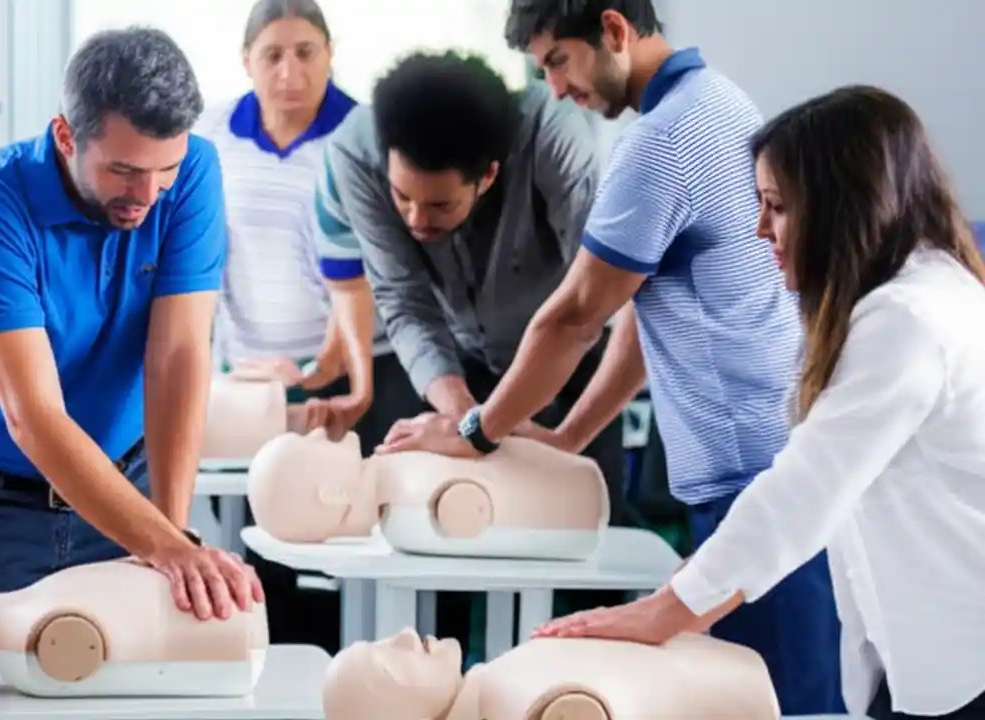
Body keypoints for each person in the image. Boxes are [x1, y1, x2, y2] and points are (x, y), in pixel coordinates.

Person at [379, 1, 845, 715]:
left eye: (558, 61)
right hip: (769, 459)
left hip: (751, 473)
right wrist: (569, 434)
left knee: (786, 700)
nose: (555, 88)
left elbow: (573, 315)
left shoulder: (659, 142)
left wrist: (477, 431)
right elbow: (644, 310)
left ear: (615, 30)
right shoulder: (719, 101)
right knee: (773, 692)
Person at [534, 86, 985, 720]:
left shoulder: (907, 321)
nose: (759, 229)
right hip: (930, 650)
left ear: (840, 207)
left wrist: (663, 610)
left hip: (964, 653)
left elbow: (806, 487)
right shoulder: (912, 294)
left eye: (776, 206)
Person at [0, 26, 262, 620]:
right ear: (65, 135)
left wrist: (169, 536)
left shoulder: (194, 170)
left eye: (164, 171)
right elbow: (33, 415)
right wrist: (166, 546)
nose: (148, 194)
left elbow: (178, 355)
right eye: (124, 170)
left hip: (129, 487)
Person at [312, 50, 624, 515]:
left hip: (568, 353)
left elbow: (588, 298)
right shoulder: (354, 152)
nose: (416, 220)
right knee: (454, 520)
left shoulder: (551, 134)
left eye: (440, 205)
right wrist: (466, 420)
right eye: (403, 196)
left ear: (489, 175)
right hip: (461, 359)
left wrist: (496, 427)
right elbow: (404, 300)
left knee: (581, 524)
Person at [196, 0, 374, 434]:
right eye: (272, 55)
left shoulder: (363, 135)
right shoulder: (210, 133)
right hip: (244, 374)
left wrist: (324, 366)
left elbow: (364, 267)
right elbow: (199, 254)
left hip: (346, 371)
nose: (289, 73)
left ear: (330, 52)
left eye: (306, 53)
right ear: (246, 60)